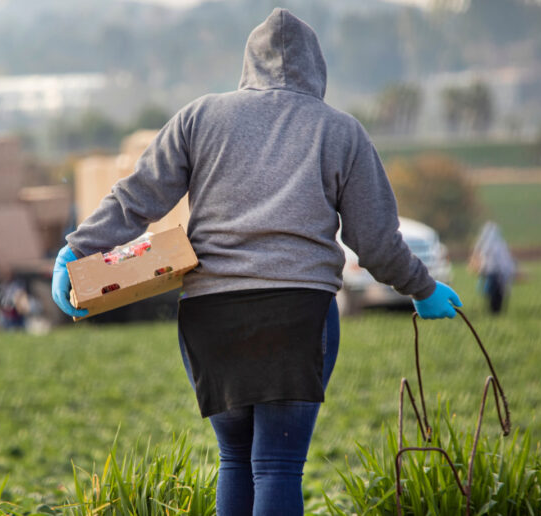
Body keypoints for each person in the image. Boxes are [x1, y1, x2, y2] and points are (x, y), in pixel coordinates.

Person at [51, 9, 461, 515]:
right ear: (319, 68)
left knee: (235, 458)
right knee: (278, 465)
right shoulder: (342, 132)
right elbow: (374, 241)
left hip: (211, 316)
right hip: (297, 313)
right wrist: (422, 288)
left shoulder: (200, 117)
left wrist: (77, 248)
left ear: (249, 63)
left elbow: (137, 198)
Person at [469, 221, 516, 314]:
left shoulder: (487, 246)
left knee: (493, 295)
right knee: (497, 295)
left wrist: (480, 269)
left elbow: (485, 261)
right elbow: (506, 262)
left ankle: (494, 312)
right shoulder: (501, 245)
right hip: (497, 274)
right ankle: (496, 312)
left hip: (493, 274)